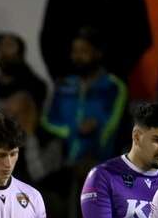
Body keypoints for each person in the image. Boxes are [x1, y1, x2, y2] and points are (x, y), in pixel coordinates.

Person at [44, 28, 129, 163]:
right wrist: (74, 129)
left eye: (84, 51)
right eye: (74, 51)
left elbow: (113, 127)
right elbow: (47, 122)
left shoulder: (114, 87)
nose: (77, 57)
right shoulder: (63, 86)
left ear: (98, 53)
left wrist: (96, 127)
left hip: (101, 166)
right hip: (63, 167)